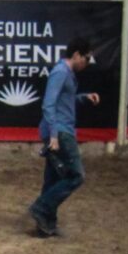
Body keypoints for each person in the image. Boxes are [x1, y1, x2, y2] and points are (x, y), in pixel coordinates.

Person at [29, 36, 99, 238]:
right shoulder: (61, 72)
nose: (86, 63)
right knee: (76, 175)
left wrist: (83, 98)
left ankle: (46, 224)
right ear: (76, 55)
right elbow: (48, 104)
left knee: (53, 178)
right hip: (60, 131)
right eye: (86, 58)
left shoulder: (64, 73)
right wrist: (53, 135)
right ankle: (41, 208)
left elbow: (62, 102)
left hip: (58, 129)